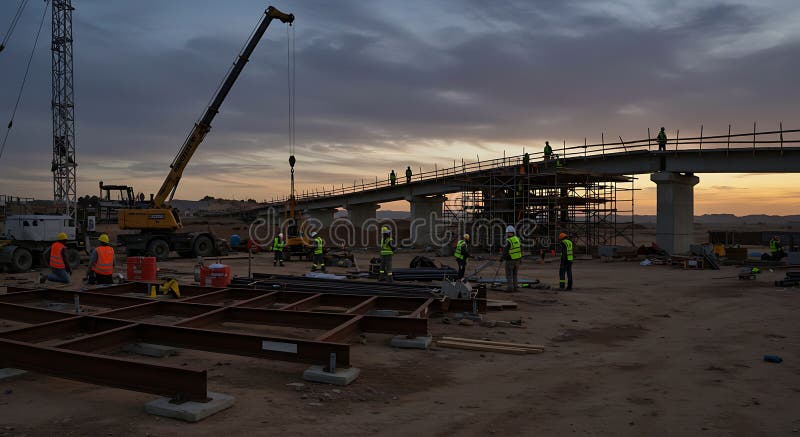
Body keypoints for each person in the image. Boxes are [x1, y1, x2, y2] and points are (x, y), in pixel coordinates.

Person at [502, 225, 522, 292]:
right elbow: (520, 249)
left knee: (509, 275)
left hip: (510, 260)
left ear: (510, 233)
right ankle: (515, 287)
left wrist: (502, 258)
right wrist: (520, 259)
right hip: (517, 260)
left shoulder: (509, 240)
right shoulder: (517, 239)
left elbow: (505, 251)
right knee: (515, 275)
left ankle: (510, 288)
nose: (507, 234)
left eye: (507, 232)